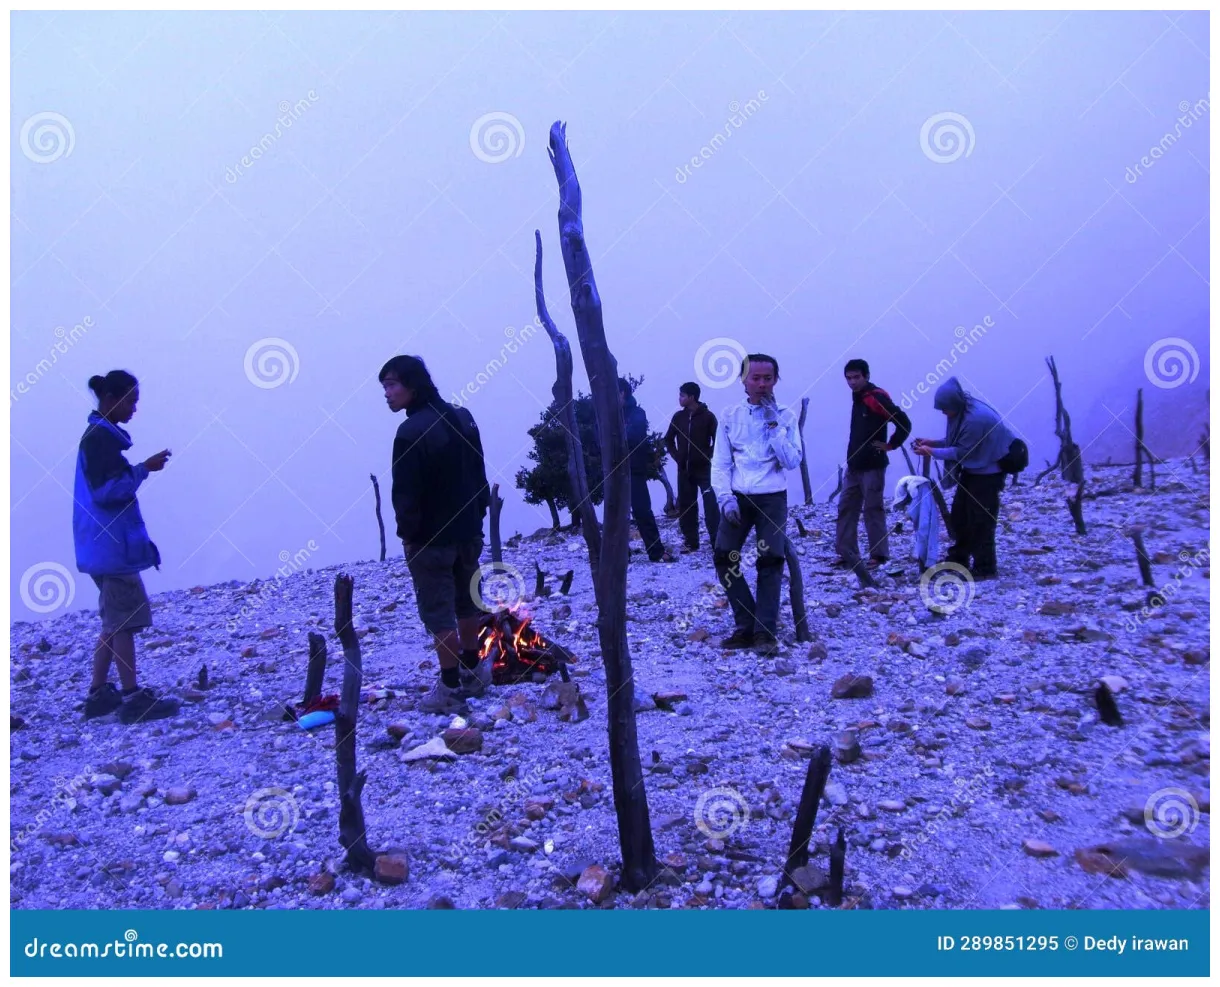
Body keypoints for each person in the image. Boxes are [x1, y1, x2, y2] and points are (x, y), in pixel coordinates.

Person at [382, 355, 493, 713]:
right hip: (468, 533)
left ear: (412, 385)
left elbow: (405, 493)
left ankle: (448, 688)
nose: (387, 394)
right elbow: (479, 471)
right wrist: (478, 515)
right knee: (467, 601)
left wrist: (408, 535)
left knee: (438, 611)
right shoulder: (463, 417)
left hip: (431, 539)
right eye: (385, 386)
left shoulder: (410, 432)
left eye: (392, 385)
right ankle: (474, 672)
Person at [74, 370, 180, 723]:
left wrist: (140, 469)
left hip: (101, 548)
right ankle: (132, 697)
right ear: (112, 400)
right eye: (131, 401)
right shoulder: (100, 441)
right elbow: (109, 492)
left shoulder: (97, 438)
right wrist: (143, 470)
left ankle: (98, 694)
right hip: (112, 548)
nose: (134, 409)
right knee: (125, 622)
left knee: (112, 621)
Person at [710, 354, 803, 656]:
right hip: (738, 496)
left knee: (770, 562)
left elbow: (792, 461)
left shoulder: (786, 414)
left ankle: (765, 632)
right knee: (725, 557)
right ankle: (745, 624)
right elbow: (722, 461)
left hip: (772, 496)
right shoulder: (730, 415)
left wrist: (774, 423)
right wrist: (724, 498)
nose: (762, 384)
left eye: (768, 378)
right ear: (744, 380)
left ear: (776, 380)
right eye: (756, 378)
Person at [913, 376, 1015, 579]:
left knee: (981, 520)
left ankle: (985, 567)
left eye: (945, 408)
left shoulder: (976, 419)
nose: (943, 413)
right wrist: (933, 443)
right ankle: (959, 559)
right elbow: (957, 441)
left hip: (988, 474)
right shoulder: (963, 411)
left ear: (954, 404)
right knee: (960, 516)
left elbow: (961, 452)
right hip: (973, 471)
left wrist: (930, 451)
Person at [835, 359, 911, 568]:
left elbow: (903, 422)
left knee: (872, 509)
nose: (852, 382)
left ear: (866, 376)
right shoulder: (858, 396)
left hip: (873, 465)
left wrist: (891, 445)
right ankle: (847, 553)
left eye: (856, 377)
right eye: (848, 378)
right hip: (854, 464)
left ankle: (879, 555)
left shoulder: (875, 397)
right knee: (846, 508)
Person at [619, 379, 675, 563]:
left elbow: (635, 436)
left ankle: (656, 552)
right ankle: (619, 555)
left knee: (642, 511)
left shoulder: (637, 413)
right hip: (612, 471)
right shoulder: (606, 415)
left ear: (623, 393)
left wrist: (617, 435)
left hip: (634, 469)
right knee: (616, 513)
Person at [664, 381, 720, 552]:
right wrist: (677, 457)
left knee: (711, 504)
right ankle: (691, 542)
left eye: (682, 395)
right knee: (687, 506)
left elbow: (719, 441)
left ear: (692, 397)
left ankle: (717, 542)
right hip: (684, 470)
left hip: (704, 470)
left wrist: (708, 456)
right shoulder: (678, 417)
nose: (679, 398)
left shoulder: (708, 417)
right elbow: (668, 439)